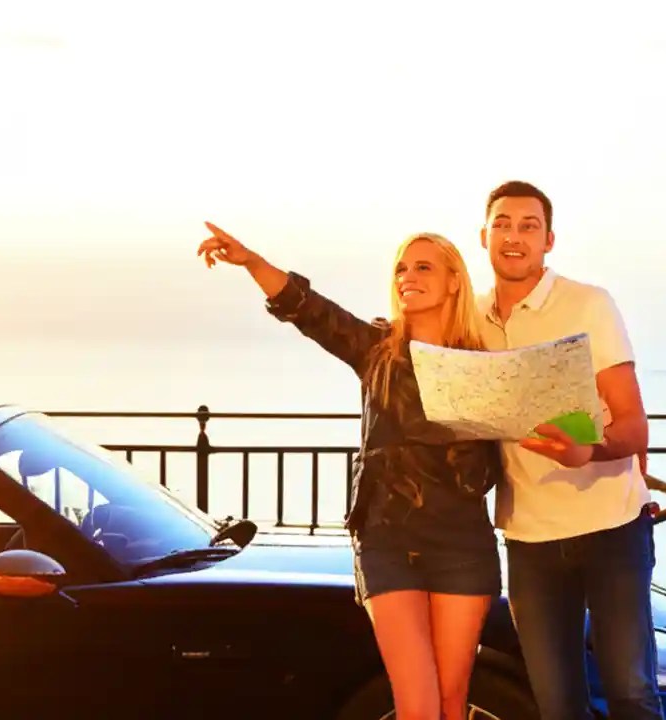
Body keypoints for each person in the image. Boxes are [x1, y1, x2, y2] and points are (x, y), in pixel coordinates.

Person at [197, 222, 504, 720]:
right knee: (419, 706)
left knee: (451, 702)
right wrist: (252, 261)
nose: (408, 276)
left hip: (461, 542)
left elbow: (523, 432)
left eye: (423, 267)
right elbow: (310, 311)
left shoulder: (483, 365)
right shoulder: (376, 349)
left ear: (454, 281)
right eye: (402, 268)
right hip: (387, 539)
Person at [475, 180, 663, 720]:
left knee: (632, 694)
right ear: (484, 235)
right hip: (529, 539)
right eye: (503, 224)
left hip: (612, 527)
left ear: (549, 239)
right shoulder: (473, 316)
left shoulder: (588, 303)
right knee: (557, 706)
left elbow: (633, 425)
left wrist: (590, 451)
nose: (515, 236)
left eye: (529, 226)